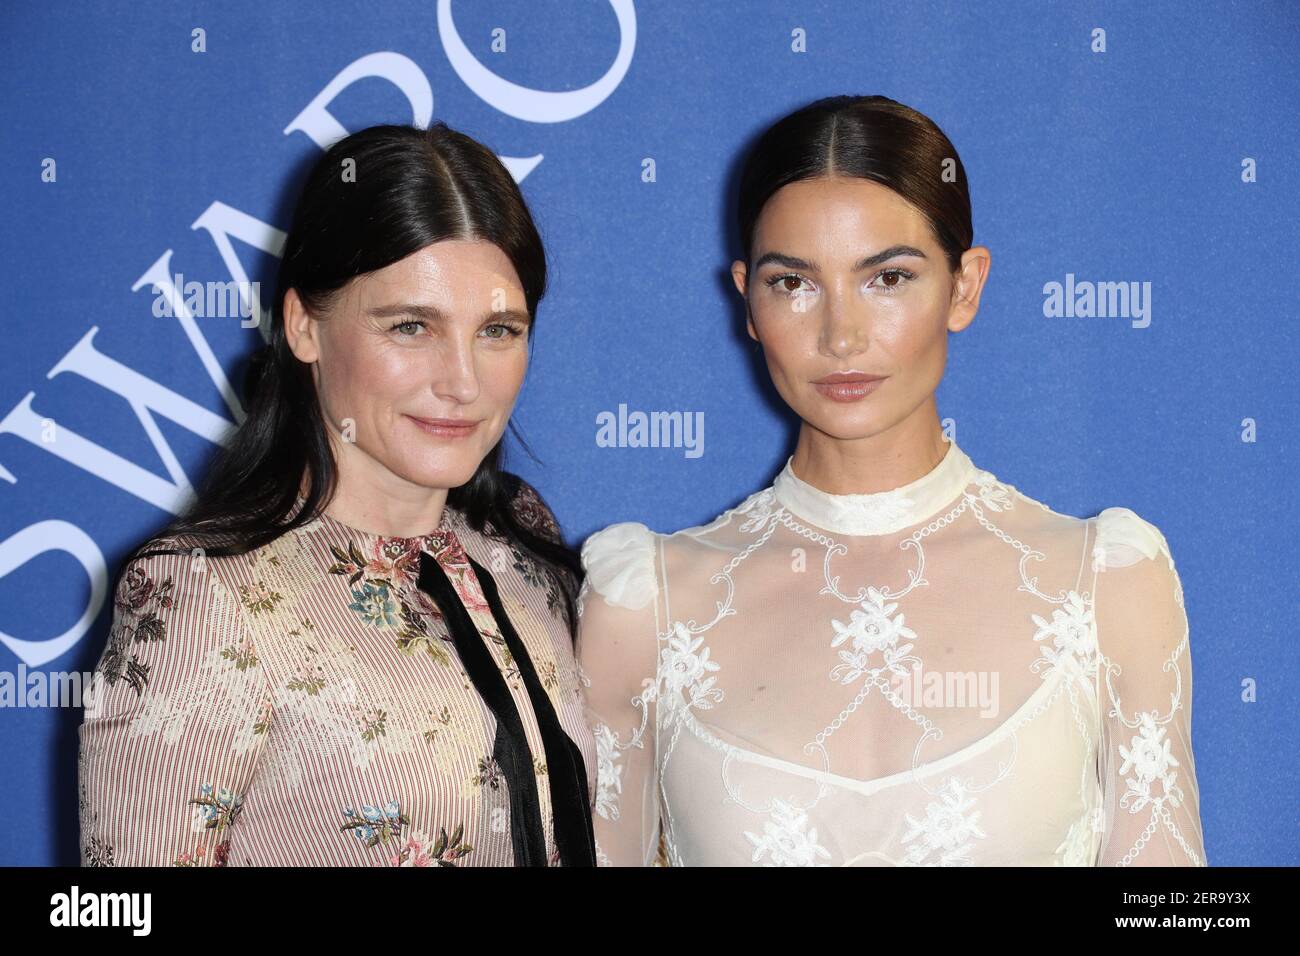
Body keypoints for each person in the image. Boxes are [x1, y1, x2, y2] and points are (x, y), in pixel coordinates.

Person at [575, 95, 1206, 867]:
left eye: (888, 278)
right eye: (793, 284)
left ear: (965, 286)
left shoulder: (1106, 585)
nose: (841, 335)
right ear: (747, 298)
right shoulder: (643, 606)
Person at [78, 122, 597, 867]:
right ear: (304, 326)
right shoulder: (204, 591)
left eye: (498, 330)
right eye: (412, 326)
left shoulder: (519, 543)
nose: (462, 381)